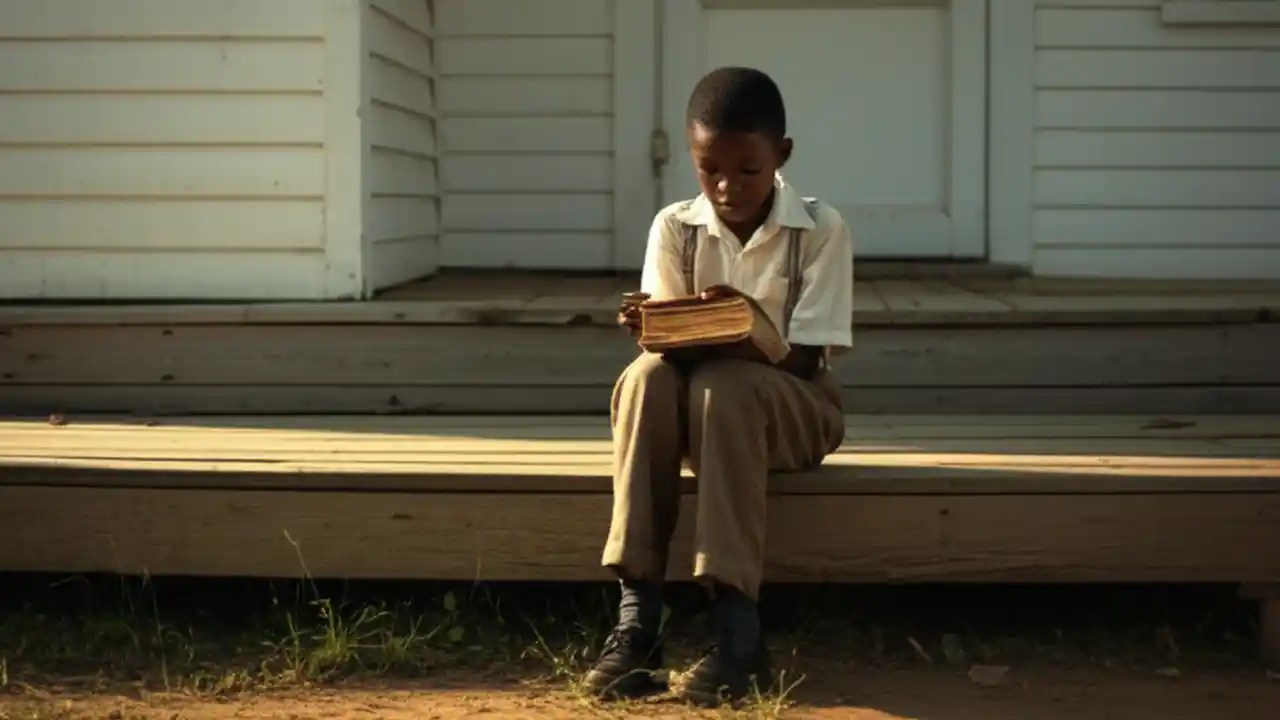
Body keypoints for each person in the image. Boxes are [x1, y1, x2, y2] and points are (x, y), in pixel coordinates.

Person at [584, 66, 855, 706]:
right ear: (692, 157)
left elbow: (807, 358)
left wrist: (742, 335)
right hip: (698, 411)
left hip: (795, 410)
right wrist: (663, 332)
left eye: (749, 170)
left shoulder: (819, 230)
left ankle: (738, 629)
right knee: (646, 376)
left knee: (729, 384)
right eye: (710, 171)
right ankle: (637, 619)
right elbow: (666, 343)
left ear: (782, 155)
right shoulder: (675, 227)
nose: (728, 187)